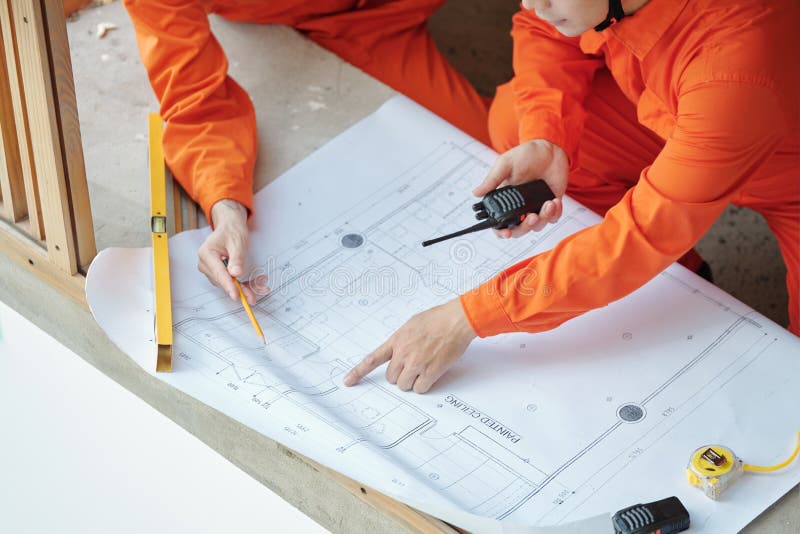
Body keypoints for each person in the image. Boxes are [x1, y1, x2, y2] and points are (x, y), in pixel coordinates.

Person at [344, 0, 799, 393]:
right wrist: (549, 136)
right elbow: (544, 29)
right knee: (516, 124)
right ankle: (689, 279)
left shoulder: (734, 69)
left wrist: (467, 317)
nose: (529, 3)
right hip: (689, 122)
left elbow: (637, 238)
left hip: (785, 175)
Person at [123, 0, 490, 303]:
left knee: (527, 150)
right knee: (488, 162)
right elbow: (198, 104)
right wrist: (226, 206)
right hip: (361, 25)